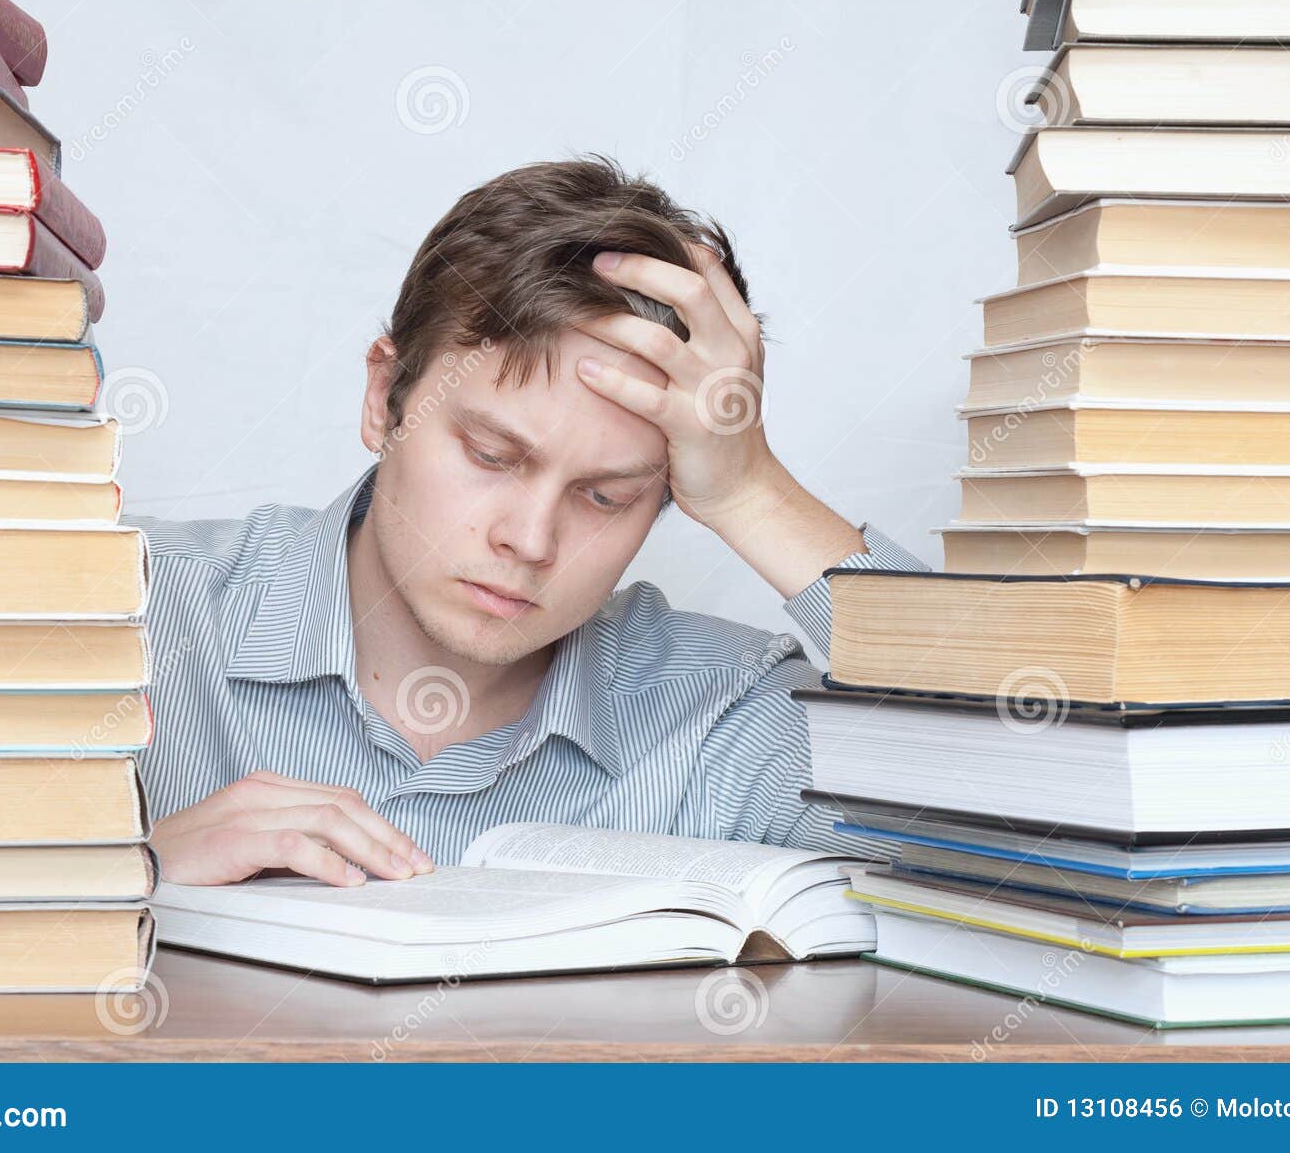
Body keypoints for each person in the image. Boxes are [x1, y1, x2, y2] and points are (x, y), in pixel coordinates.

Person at [132, 154, 923, 888]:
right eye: (490, 454)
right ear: (384, 399)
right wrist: (114, 877)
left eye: (606, 496)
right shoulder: (127, 612)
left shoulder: (717, 714)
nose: (530, 540)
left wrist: (754, 494)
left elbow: (1037, 847)